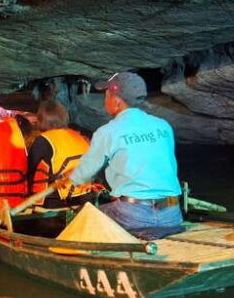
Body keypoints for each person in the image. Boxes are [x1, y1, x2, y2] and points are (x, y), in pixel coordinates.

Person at [69, 72, 182, 232]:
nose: (105, 101)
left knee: (84, 216)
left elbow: (85, 173)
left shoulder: (108, 132)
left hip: (133, 215)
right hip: (172, 213)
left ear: (116, 102)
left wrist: (70, 178)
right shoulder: (163, 126)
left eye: (106, 96)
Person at [27, 101, 98, 208]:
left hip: (55, 200)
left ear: (41, 119)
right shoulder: (78, 136)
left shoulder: (44, 140)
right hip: (85, 197)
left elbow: (30, 170)